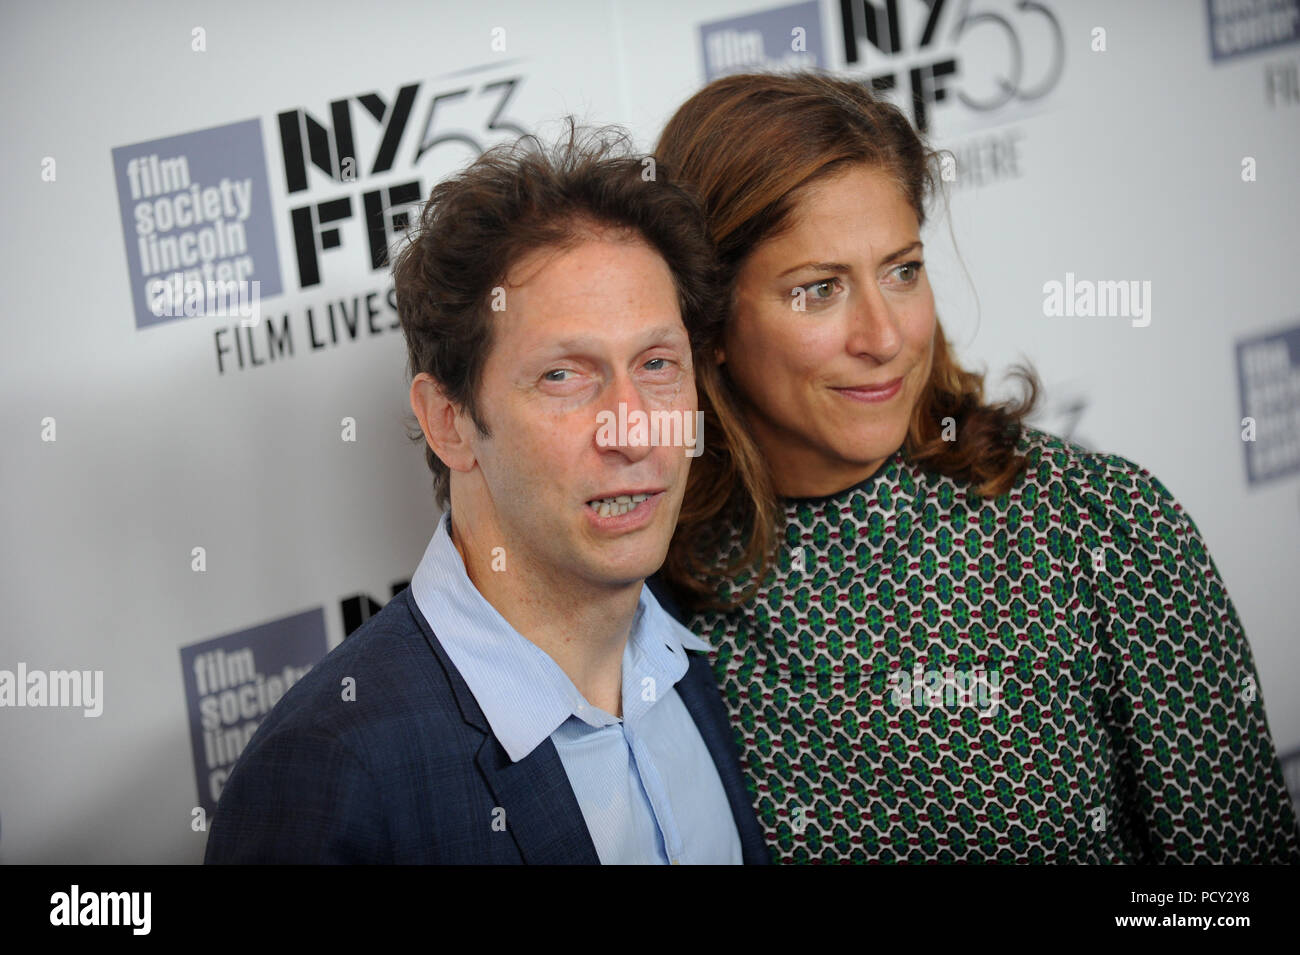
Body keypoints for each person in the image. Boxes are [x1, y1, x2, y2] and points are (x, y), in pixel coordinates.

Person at [648, 70, 1300, 864]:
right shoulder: (661, 583)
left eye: (902, 270)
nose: (884, 335)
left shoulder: (1101, 527)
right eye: (819, 290)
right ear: (706, 322)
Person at [204, 123, 767, 864]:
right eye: (565, 375)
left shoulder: (702, 650)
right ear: (449, 422)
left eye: (658, 364)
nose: (635, 431)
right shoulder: (331, 770)